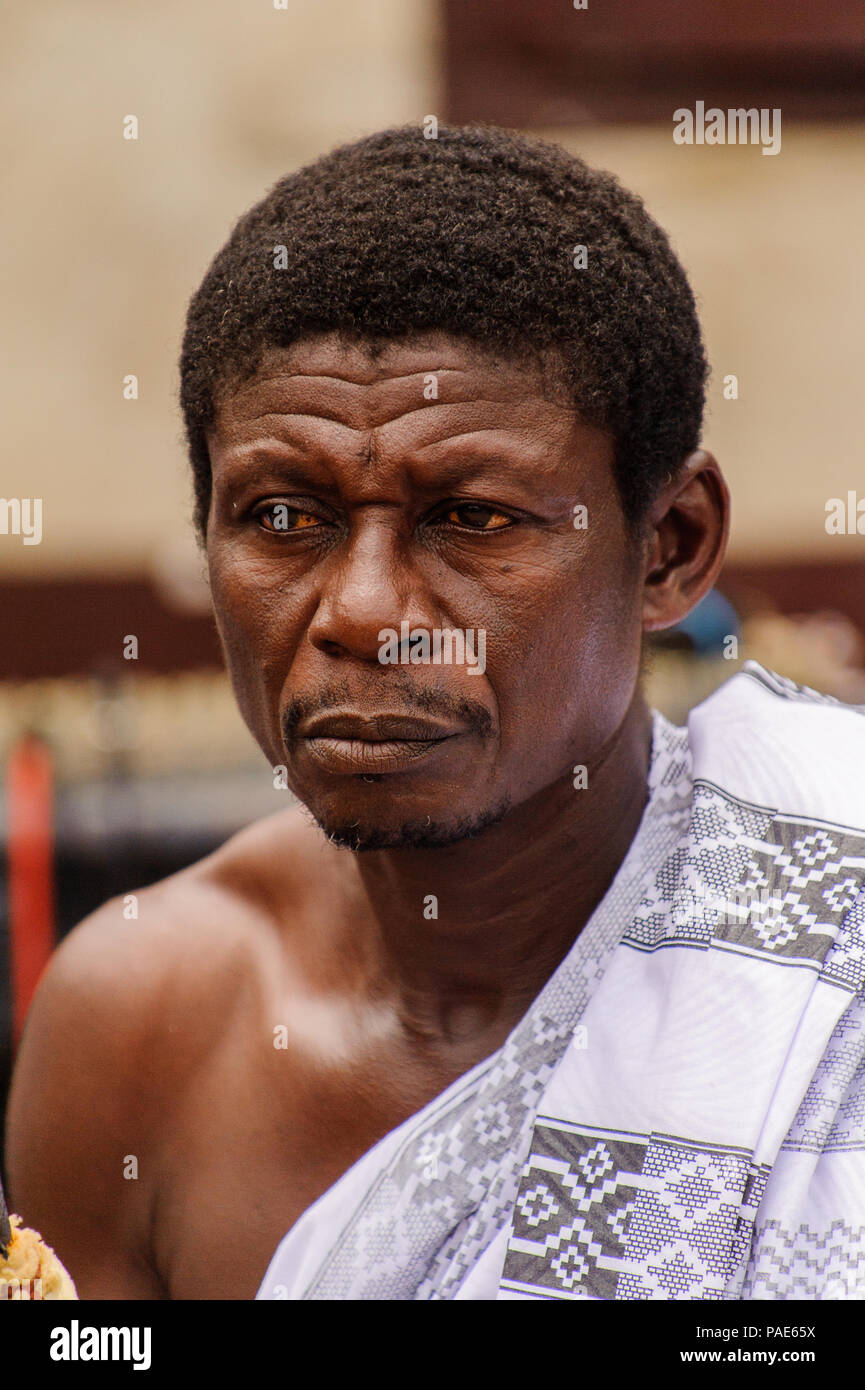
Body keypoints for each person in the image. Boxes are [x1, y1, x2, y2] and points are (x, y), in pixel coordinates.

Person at [6, 125, 865, 1301]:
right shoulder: (139, 1030)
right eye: (281, 516)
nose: (359, 611)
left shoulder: (828, 963)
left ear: (669, 548)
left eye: (470, 517)